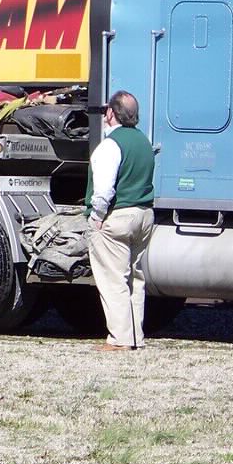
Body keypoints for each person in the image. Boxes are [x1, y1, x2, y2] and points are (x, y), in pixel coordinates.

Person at [85, 90, 156, 351]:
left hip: (117, 216)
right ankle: (135, 336)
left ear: (111, 114)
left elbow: (104, 191)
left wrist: (96, 217)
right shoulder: (143, 142)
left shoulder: (110, 145)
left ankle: (119, 340)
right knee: (135, 279)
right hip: (144, 215)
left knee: (113, 279)